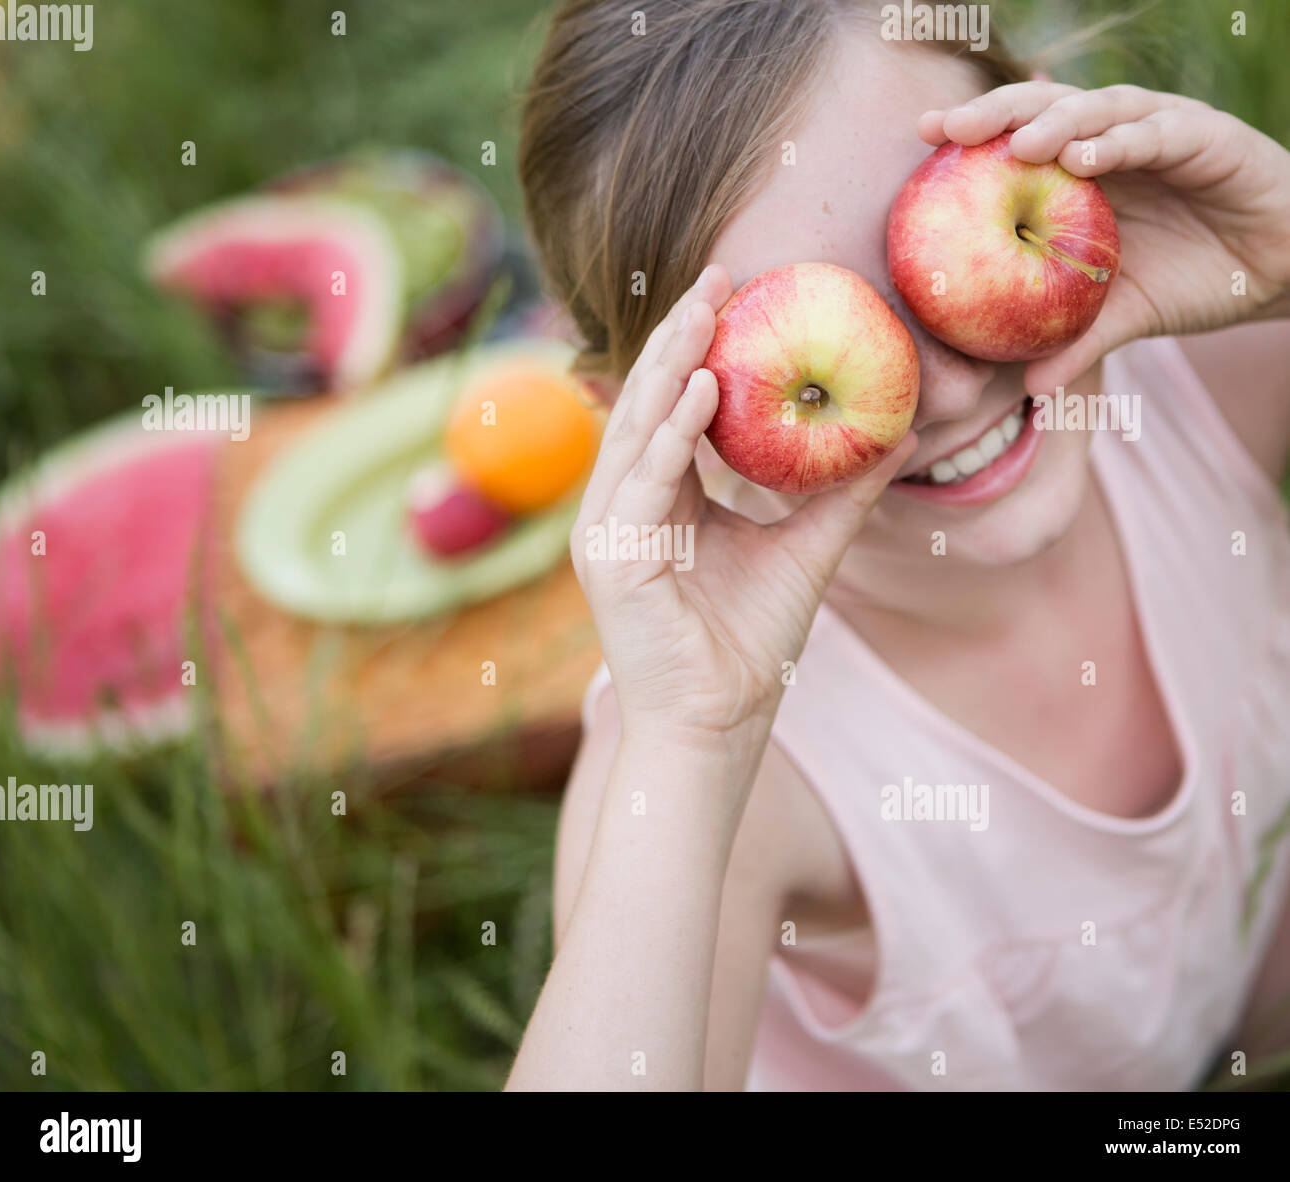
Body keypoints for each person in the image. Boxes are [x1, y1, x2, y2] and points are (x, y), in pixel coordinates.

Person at [505, 0, 1290, 1090]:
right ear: (637, 422)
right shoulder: (730, 770)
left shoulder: (1196, 398)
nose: (954, 387)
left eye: (954, 247)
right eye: (828, 336)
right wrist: (694, 744)